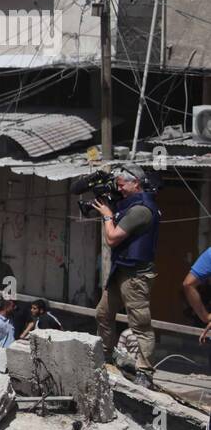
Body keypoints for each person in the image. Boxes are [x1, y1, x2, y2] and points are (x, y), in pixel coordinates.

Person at [92, 164, 160, 387]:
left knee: (140, 324)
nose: (119, 190)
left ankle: (145, 371)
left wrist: (107, 216)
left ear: (136, 183)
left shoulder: (141, 210)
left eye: (122, 185)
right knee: (103, 313)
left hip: (136, 275)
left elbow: (112, 238)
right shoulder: (129, 205)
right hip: (121, 269)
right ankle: (105, 354)